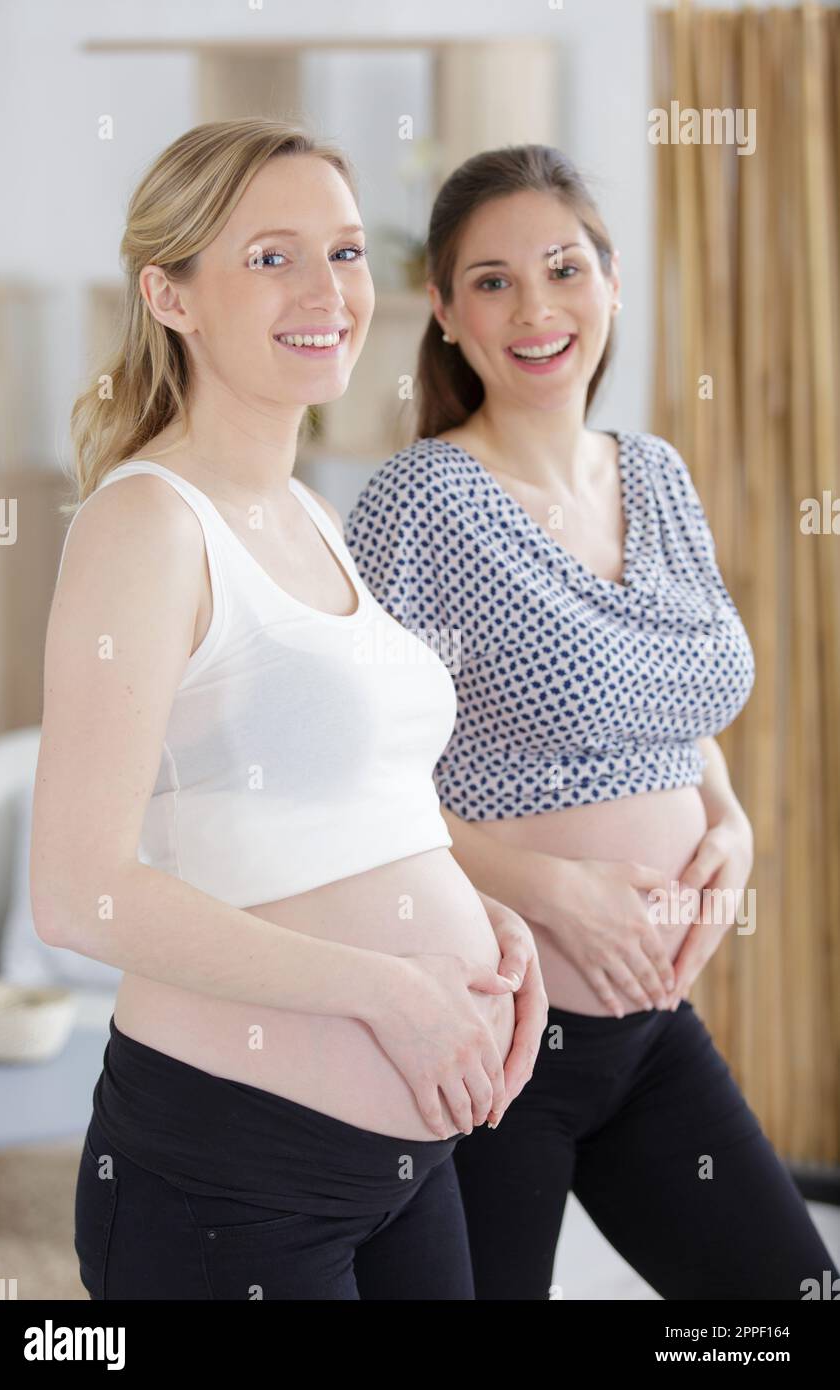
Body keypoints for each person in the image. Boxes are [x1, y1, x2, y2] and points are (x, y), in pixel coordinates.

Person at [31, 119, 549, 1302]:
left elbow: (349, 801)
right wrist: (390, 991)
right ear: (171, 295)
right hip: (229, 1177)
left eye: (348, 251)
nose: (329, 291)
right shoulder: (146, 526)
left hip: (404, 1163)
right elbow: (76, 890)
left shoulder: (312, 510)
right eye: (271, 257)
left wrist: (476, 916)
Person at [343, 143, 840, 1300]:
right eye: (492, 280)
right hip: (495, 1040)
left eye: (563, 268)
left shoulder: (655, 472)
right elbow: (356, 782)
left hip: (650, 1031)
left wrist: (728, 821)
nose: (534, 308)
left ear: (611, 282)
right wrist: (550, 888)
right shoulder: (418, 502)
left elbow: (668, 693)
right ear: (445, 314)